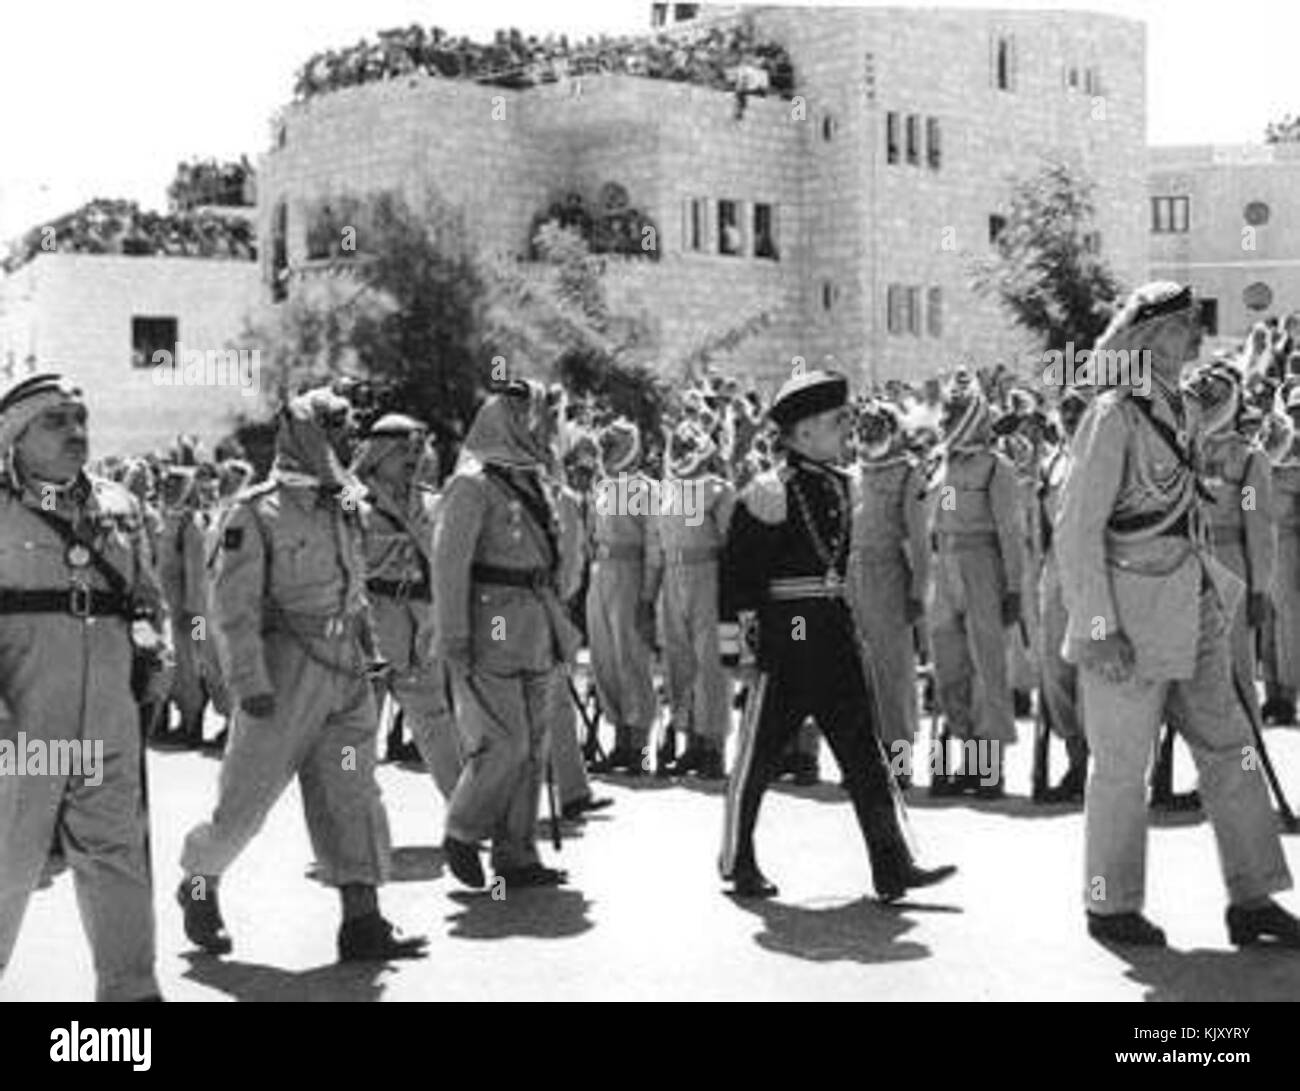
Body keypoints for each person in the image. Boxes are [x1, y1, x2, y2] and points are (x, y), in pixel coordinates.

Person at [1056, 281, 1299, 948]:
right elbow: (1078, 530)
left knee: (1232, 747)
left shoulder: (1183, 410)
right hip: (1129, 618)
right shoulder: (1114, 415)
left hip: (1191, 604)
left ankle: (1252, 896)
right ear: (1143, 338)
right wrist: (1097, 627)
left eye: (1194, 322)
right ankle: (1109, 903)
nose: (1194, 334)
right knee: (1120, 764)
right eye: (1180, 325)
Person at [178, 388, 426, 961]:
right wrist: (248, 684)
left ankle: (363, 922)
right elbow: (232, 609)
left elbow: (353, 587)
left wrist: (370, 651)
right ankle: (198, 885)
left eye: (349, 427)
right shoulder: (255, 510)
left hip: (344, 678)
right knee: (244, 805)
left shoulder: (344, 502)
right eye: (336, 426)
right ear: (307, 433)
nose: (347, 438)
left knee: (352, 792)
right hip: (284, 677)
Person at [718, 369, 956, 901]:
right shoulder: (768, 491)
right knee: (757, 758)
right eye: (831, 422)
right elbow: (737, 575)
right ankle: (738, 859)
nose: (843, 430)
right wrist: (737, 646)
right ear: (801, 434)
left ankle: (892, 865)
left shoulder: (841, 482)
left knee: (865, 756)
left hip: (831, 630)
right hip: (789, 633)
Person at [0, 373, 172, 1001]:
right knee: (9, 862)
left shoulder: (119, 505)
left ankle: (129, 1000)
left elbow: (147, 597)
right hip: (25, 726)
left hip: (108, 719)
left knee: (117, 858)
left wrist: (158, 647)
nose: (76, 432)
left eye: (80, 418)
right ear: (14, 437)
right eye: (56, 422)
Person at [434, 380, 579, 889]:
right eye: (531, 415)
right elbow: (450, 565)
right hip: (491, 619)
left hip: (537, 620)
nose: (543, 424)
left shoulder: (538, 481)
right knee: (505, 741)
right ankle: (463, 828)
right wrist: (453, 637)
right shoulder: (472, 484)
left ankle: (517, 853)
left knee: (535, 743)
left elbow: (561, 555)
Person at [353, 413, 462, 798]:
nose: (412, 459)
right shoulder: (352, 502)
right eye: (401, 451)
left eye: (417, 450)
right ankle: (352, 810)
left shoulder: (433, 503)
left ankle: (466, 813)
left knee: (435, 718)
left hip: (422, 619)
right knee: (359, 725)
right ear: (378, 453)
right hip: (373, 620)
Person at [926, 369, 1022, 797]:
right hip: (943, 566)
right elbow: (934, 518)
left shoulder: (996, 468)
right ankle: (958, 757)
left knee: (986, 669)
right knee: (948, 668)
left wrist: (1014, 587)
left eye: (957, 412)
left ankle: (987, 767)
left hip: (982, 563)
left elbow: (1010, 531)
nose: (947, 419)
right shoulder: (940, 463)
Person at [644, 422, 735, 779]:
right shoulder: (664, 491)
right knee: (678, 663)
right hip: (672, 579)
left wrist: (734, 592)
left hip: (707, 576)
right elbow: (654, 546)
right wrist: (647, 597)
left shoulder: (718, 489)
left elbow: (732, 542)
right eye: (677, 447)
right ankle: (690, 743)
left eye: (688, 446)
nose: (681, 453)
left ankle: (713, 745)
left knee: (711, 664)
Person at [847, 399, 928, 786]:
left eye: (876, 428)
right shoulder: (854, 472)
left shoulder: (908, 474)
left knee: (892, 671)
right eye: (864, 428)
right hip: (853, 575)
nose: (868, 435)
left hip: (890, 574)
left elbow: (918, 539)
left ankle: (899, 758)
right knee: (856, 673)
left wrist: (917, 591)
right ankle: (865, 760)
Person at [584, 419, 659, 775]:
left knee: (632, 660)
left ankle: (640, 749)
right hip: (600, 574)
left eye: (615, 443)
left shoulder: (646, 489)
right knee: (605, 660)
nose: (607, 450)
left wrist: (648, 597)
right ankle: (620, 742)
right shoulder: (601, 486)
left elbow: (654, 544)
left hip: (630, 572)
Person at [1035, 388, 1089, 803]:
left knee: (1092, 667)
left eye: (1079, 408)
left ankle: (1092, 765)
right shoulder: (1053, 462)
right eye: (1065, 409)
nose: (1071, 416)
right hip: (1055, 570)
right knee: (1054, 668)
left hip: (1094, 570)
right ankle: (1073, 754)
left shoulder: (1106, 458)